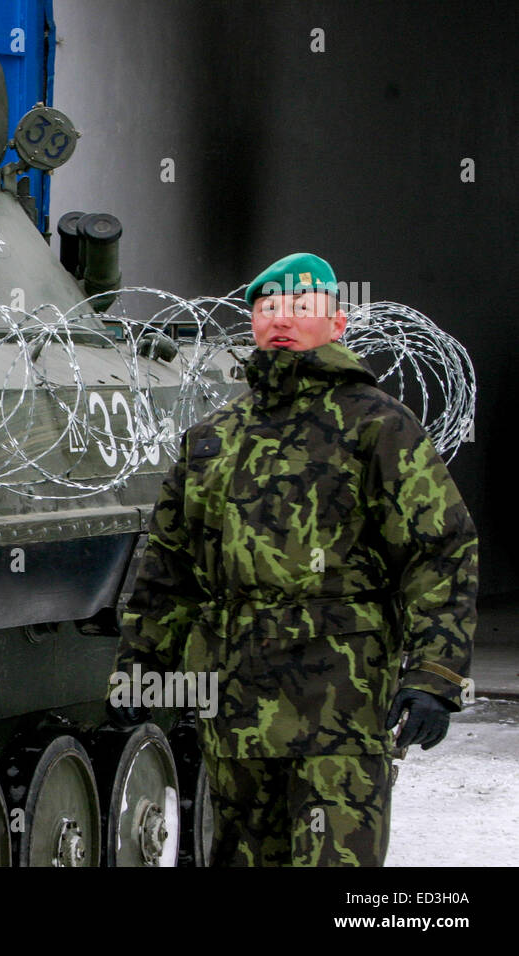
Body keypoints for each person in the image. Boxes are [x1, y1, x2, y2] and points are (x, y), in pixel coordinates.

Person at [109, 252, 478, 866]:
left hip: (340, 709)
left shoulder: (377, 428)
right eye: (268, 308)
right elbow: (170, 567)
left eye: (302, 307)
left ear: (336, 323)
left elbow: (439, 551)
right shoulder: (213, 439)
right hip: (237, 716)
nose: (282, 320)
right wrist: (140, 666)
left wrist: (435, 676)